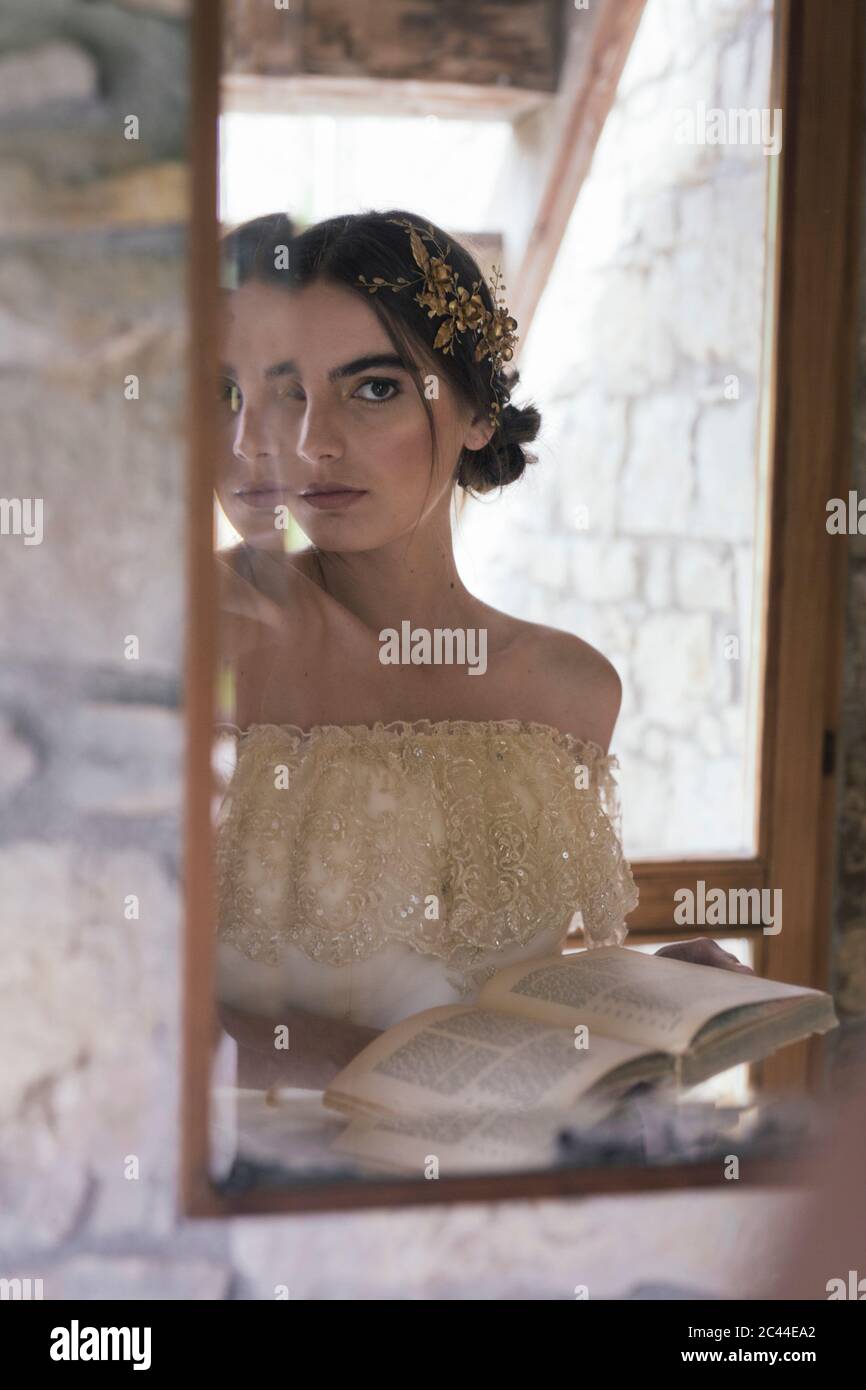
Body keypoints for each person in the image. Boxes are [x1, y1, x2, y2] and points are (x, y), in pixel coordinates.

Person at [211, 210, 752, 1090]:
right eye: (283, 393)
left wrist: (642, 996)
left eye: (374, 387)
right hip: (265, 1193)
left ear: (475, 409)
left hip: (497, 1193)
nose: (314, 442)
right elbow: (103, 983)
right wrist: (387, 1072)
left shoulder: (570, 692)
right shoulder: (209, 631)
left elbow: (486, 987)